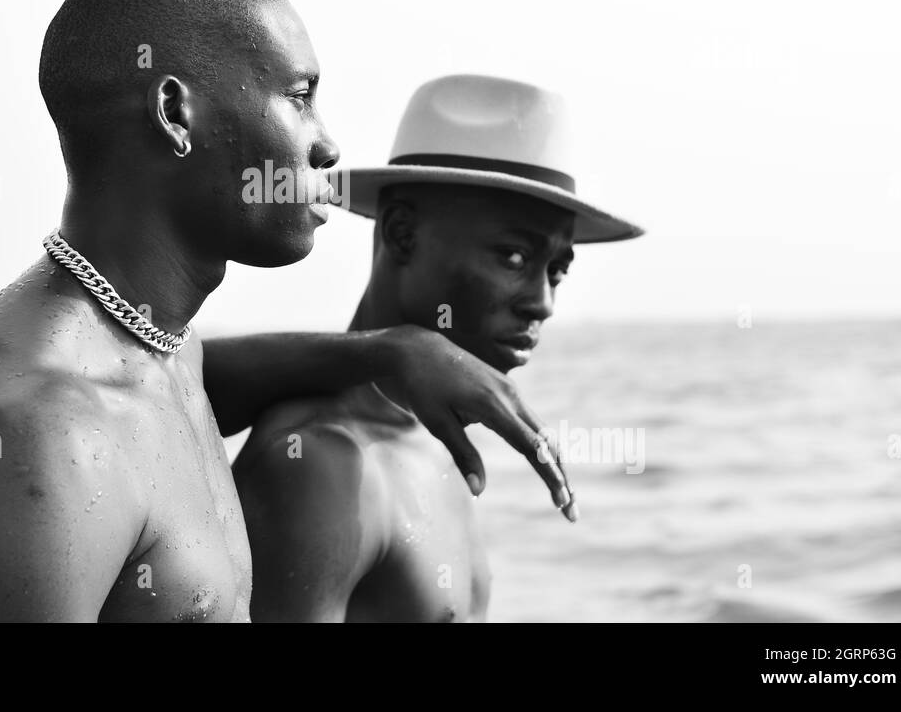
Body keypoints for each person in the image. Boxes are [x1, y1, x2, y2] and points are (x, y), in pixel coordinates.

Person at [0, 0, 574, 622]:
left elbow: (205, 379)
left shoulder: (159, 356)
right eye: (300, 98)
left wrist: (390, 352)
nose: (328, 146)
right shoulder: (42, 439)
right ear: (176, 114)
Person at [232, 75, 645, 621]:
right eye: (515, 257)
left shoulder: (429, 438)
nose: (542, 303)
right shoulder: (322, 465)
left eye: (557, 270)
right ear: (402, 233)